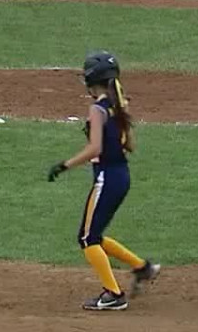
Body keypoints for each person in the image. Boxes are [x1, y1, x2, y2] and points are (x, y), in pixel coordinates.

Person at [47, 51, 162, 311]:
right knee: (95, 235)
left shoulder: (98, 109)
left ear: (91, 81)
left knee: (87, 240)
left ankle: (113, 293)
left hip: (107, 178)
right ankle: (142, 268)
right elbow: (130, 145)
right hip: (121, 176)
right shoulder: (118, 106)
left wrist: (64, 165)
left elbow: (95, 148)